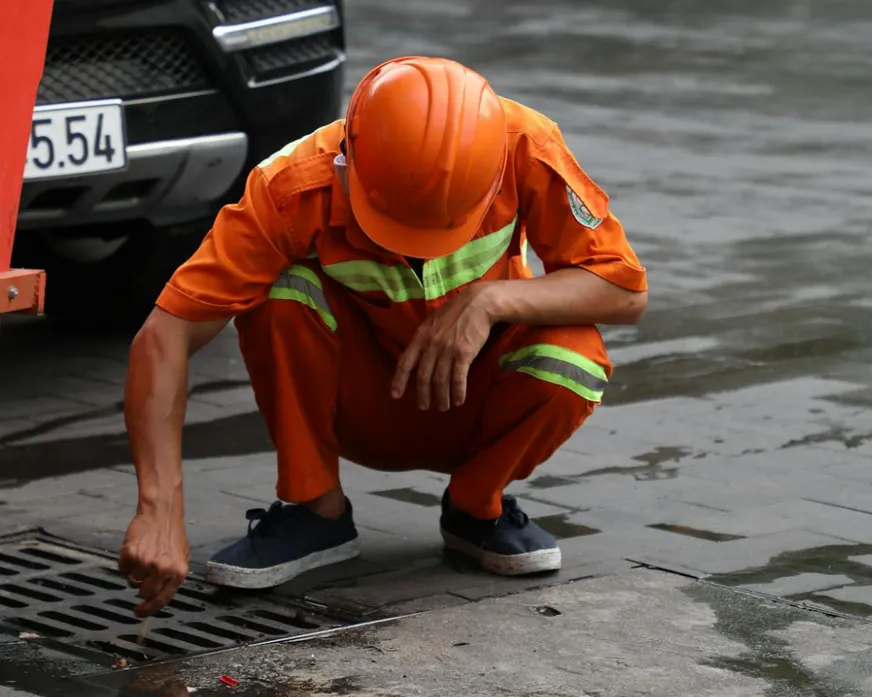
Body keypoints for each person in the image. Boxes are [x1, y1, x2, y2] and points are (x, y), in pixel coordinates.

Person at [118, 56, 648, 616]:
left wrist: (489, 300)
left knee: (573, 351)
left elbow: (625, 292)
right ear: (346, 164)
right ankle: (313, 508)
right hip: (361, 406)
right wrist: (159, 508)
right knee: (280, 290)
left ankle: (476, 507)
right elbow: (165, 334)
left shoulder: (525, 147)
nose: (420, 248)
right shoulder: (290, 187)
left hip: (478, 403)